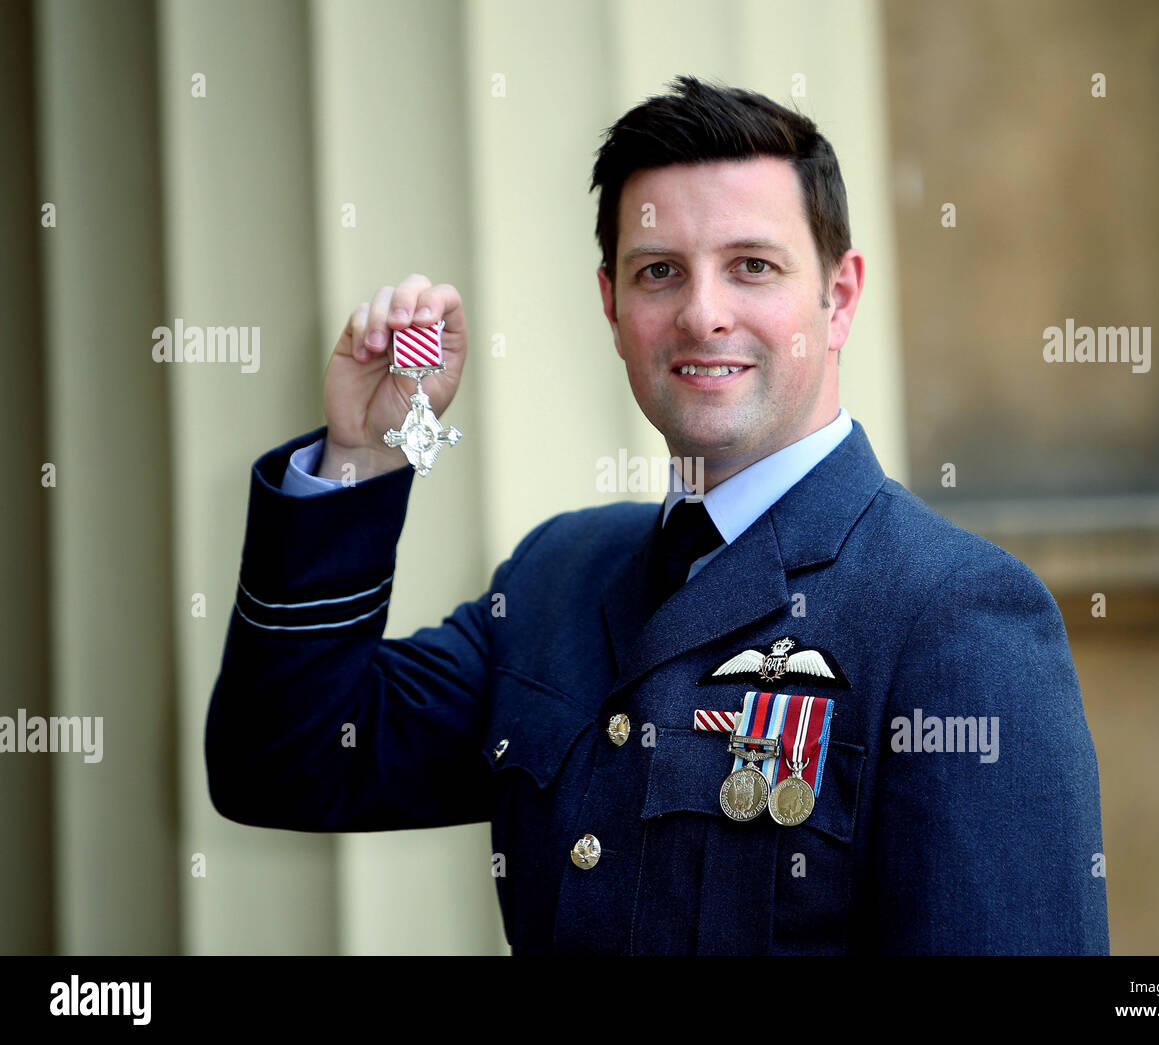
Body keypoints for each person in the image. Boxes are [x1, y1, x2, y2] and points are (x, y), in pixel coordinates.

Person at [205, 75, 1110, 955]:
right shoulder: (557, 575)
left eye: (751, 267)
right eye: (659, 273)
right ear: (611, 305)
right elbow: (288, 761)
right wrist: (364, 452)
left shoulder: (956, 615)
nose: (701, 314)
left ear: (837, 299)